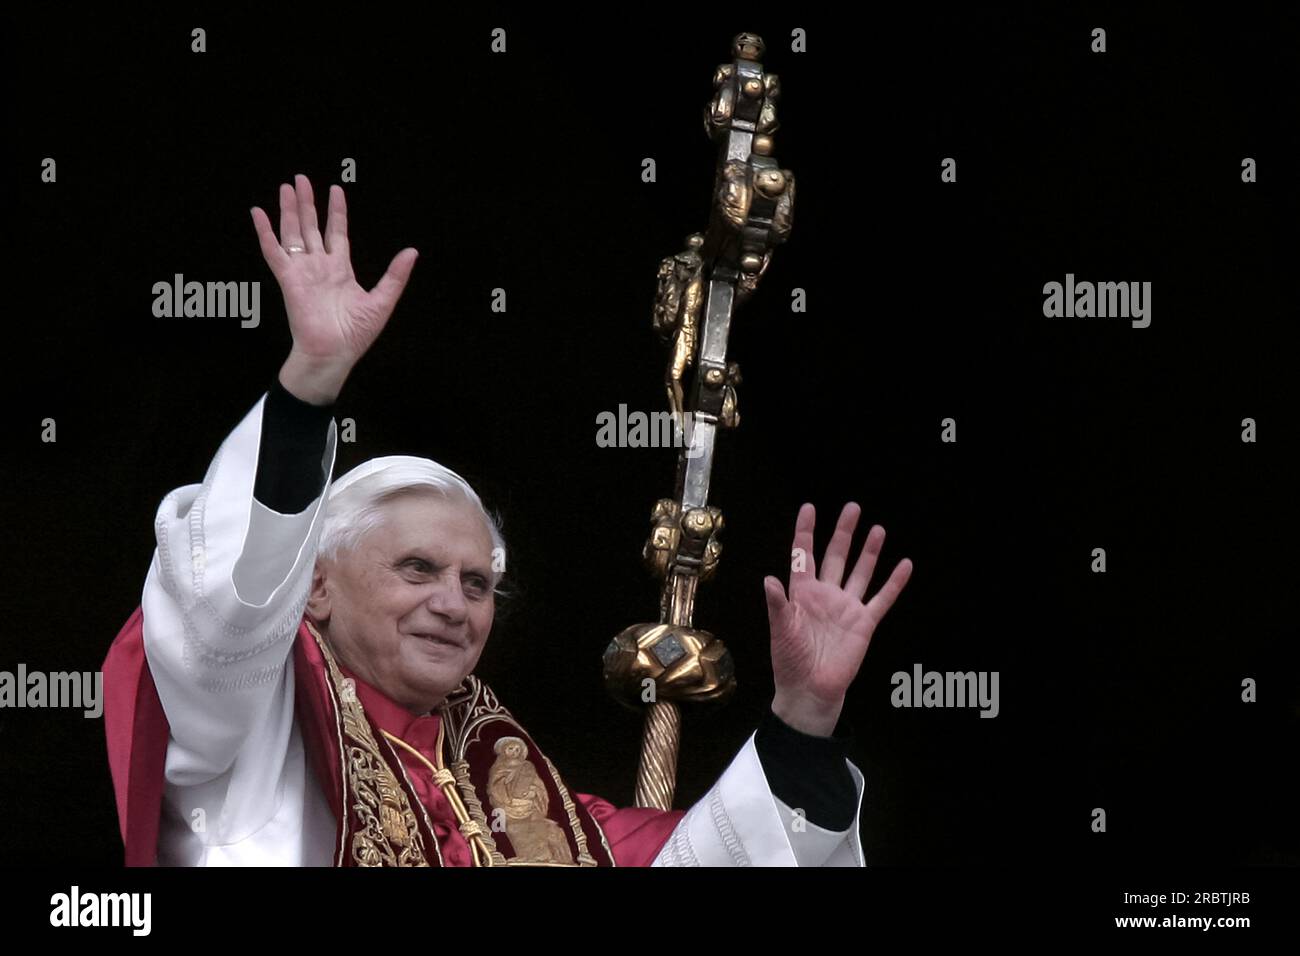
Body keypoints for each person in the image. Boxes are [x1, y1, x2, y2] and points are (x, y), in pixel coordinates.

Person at [102, 174, 914, 867]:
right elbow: (224, 612)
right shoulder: (258, 719)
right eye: (416, 569)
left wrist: (806, 714)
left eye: (477, 583)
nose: (453, 604)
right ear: (314, 587)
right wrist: (310, 380)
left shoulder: (516, 789)